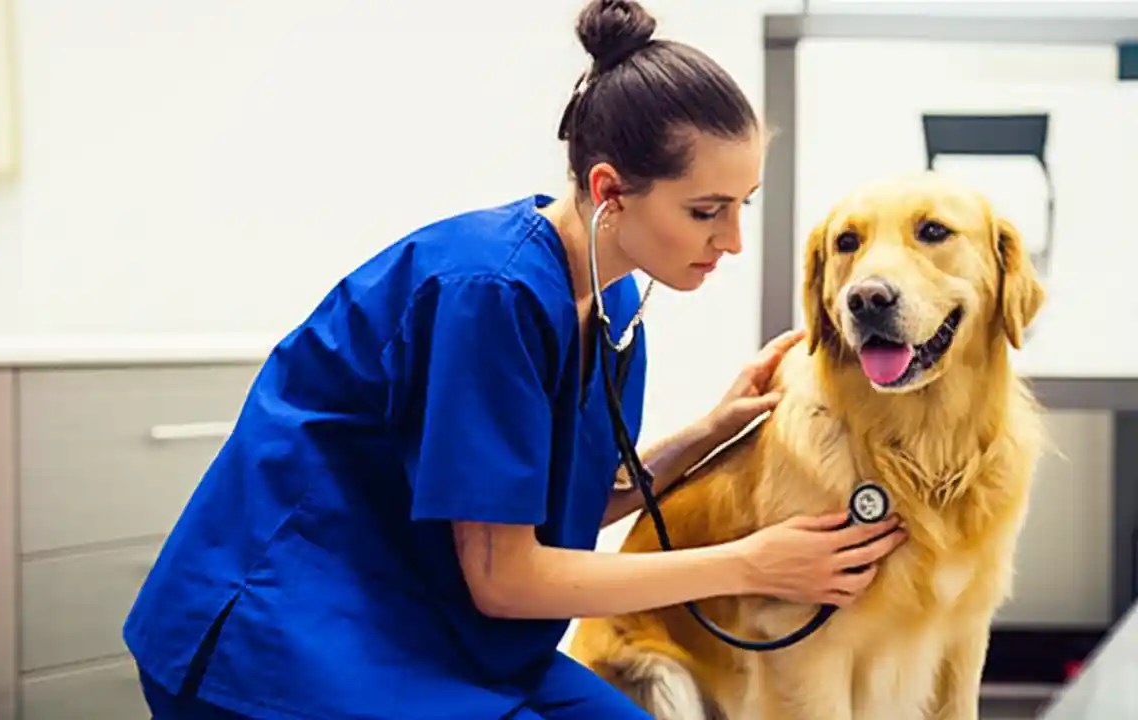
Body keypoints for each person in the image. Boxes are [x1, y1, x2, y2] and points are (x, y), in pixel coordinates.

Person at [122, 1, 908, 718]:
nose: (732, 240)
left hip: (435, 621)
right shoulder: (489, 295)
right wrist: (751, 564)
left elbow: (557, 510)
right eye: (706, 211)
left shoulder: (612, 304)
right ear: (610, 191)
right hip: (287, 633)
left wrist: (706, 435)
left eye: (744, 205)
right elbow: (505, 577)